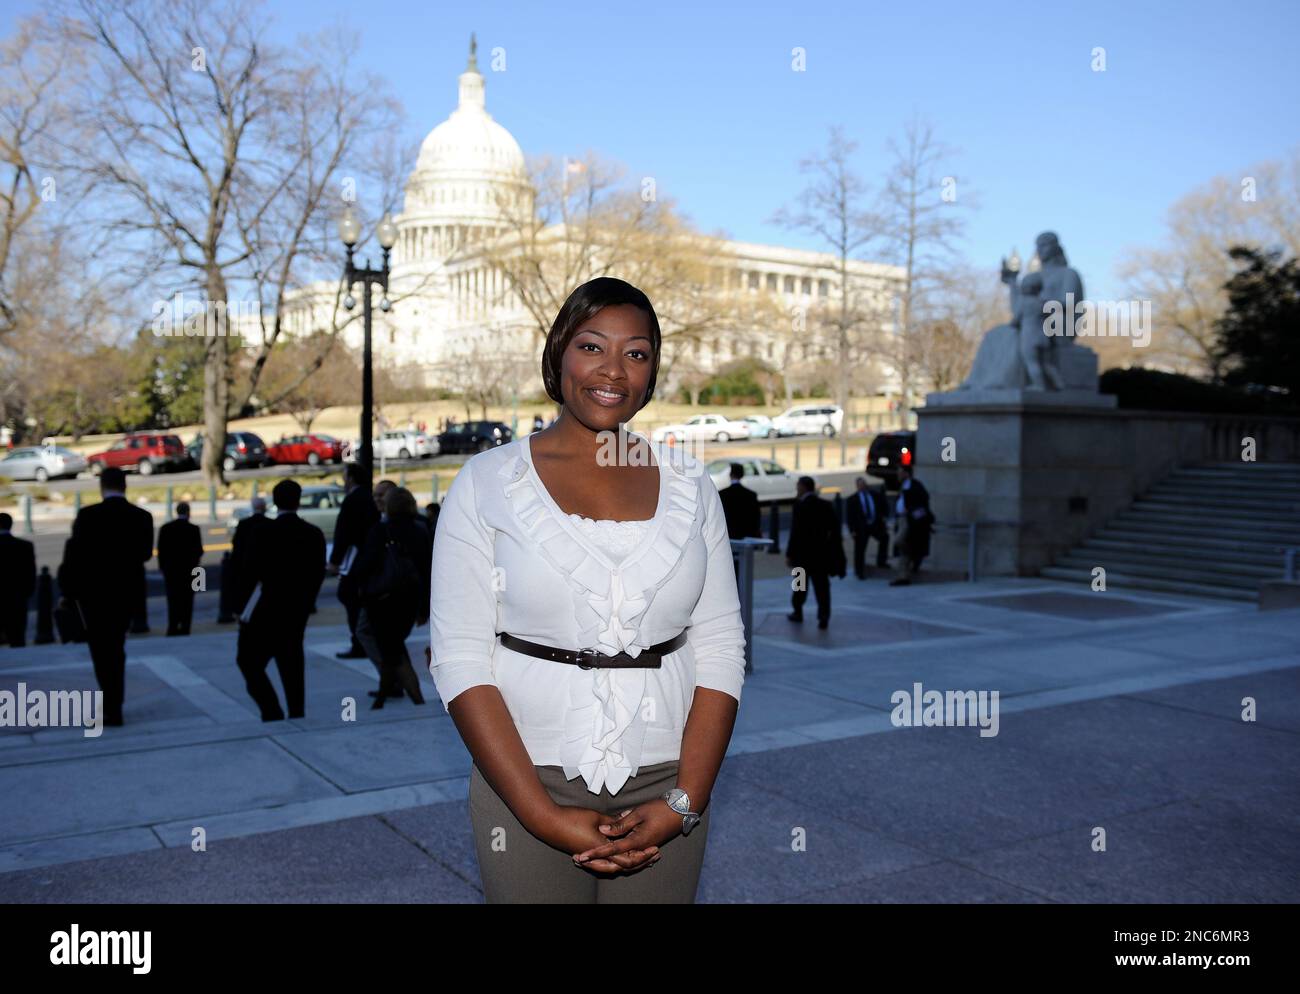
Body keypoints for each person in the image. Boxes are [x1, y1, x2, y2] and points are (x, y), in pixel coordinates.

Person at [429, 276, 747, 904]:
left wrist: (687, 799)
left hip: (669, 784)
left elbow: (721, 649)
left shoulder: (690, 484)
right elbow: (460, 658)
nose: (614, 370)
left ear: (652, 373)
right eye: (591, 346)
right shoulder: (486, 482)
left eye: (637, 353)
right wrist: (542, 816)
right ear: (558, 356)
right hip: (524, 778)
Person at [61, 467, 154, 726]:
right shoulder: (142, 516)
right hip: (126, 593)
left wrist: (68, 592)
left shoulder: (87, 516)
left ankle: (111, 704)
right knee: (116, 648)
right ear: (125, 486)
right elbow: (145, 554)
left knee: (102, 652)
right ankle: (115, 704)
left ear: (102, 487)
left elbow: (74, 557)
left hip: (94, 595)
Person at [235, 479, 325, 721]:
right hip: (296, 610)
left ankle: (271, 709)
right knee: (292, 663)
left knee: (248, 662)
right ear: (298, 501)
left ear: (274, 502)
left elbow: (248, 573)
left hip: (264, 610)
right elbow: (317, 575)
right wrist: (306, 604)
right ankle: (297, 712)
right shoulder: (313, 534)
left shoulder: (261, 532)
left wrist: (239, 608)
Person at [352, 487, 432, 709]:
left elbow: (365, 564)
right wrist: (423, 608)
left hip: (383, 601)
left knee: (392, 652)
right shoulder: (420, 529)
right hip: (409, 601)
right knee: (393, 649)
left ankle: (413, 699)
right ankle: (388, 696)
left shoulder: (381, 530)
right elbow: (427, 569)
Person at [329, 462, 380, 659]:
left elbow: (343, 533)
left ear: (351, 478)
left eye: (345, 475)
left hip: (355, 558)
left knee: (350, 598)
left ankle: (358, 643)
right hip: (365, 557)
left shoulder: (352, 500)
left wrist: (335, 560)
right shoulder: (367, 498)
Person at [785, 476, 845, 629]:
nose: (797, 488)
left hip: (801, 556)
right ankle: (823, 616)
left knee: (799, 586)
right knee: (822, 588)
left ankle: (797, 611)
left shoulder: (799, 506)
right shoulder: (825, 505)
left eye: (798, 485)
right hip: (820, 556)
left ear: (804, 487)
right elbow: (835, 531)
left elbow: (795, 533)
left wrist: (789, 554)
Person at [157, 501, 204, 635]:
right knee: (187, 600)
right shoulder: (194, 529)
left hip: (171, 571)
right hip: (189, 571)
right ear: (188, 512)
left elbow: (161, 551)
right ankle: (185, 626)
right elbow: (199, 551)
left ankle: (172, 626)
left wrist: (163, 567)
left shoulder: (165, 528)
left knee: (172, 600)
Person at [890, 465, 935, 587]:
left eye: (900, 472)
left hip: (910, 521)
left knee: (899, 541)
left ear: (906, 473)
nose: (898, 475)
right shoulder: (903, 486)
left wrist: (911, 512)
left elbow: (922, 503)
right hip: (901, 519)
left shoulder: (915, 486)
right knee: (902, 551)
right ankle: (903, 577)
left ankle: (913, 556)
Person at [229, 496, 273, 614]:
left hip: (246, 570)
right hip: (266, 570)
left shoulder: (243, 524)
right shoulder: (271, 524)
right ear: (264, 508)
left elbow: (237, 547)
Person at [0, 512, 36, 647]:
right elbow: (30, 572)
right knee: (17, 636)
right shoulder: (24, 546)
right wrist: (27, 592)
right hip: (17, 597)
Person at [845, 476, 889, 578]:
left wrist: (883, 518)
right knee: (860, 549)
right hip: (861, 528)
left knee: (884, 538)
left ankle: (881, 561)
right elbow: (850, 517)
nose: (863, 486)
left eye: (864, 484)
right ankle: (859, 571)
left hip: (874, 524)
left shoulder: (875, 495)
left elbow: (884, 506)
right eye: (860, 485)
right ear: (857, 487)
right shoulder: (852, 499)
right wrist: (852, 530)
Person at [718, 463, 761, 541]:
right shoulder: (751, 495)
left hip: (728, 534)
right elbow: (756, 517)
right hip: (746, 535)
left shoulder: (722, 494)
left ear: (730, 475)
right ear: (742, 475)